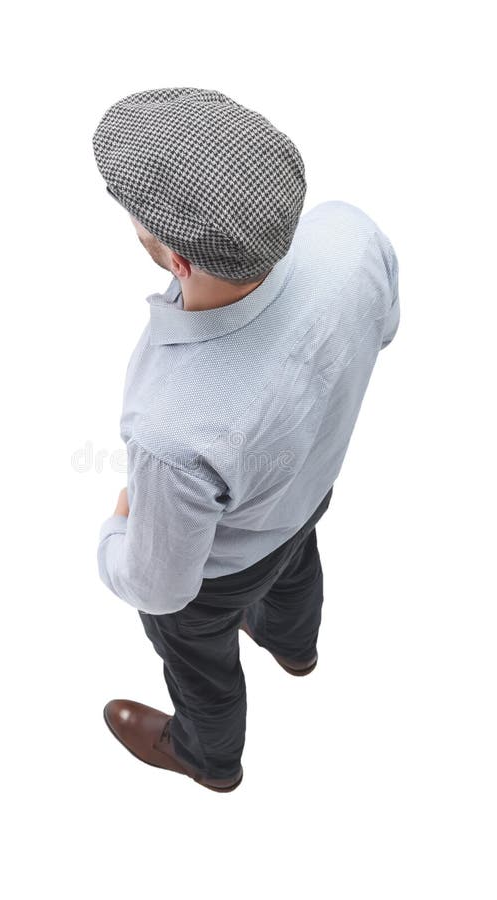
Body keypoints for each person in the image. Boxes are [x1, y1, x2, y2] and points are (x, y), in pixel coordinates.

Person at [91, 87, 400, 792]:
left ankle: (208, 757)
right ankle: (295, 651)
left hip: (215, 576)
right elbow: (382, 330)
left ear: (179, 263)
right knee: (293, 569)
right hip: (306, 497)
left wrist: (113, 531)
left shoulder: (172, 426)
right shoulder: (349, 237)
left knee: (199, 660)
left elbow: (160, 588)